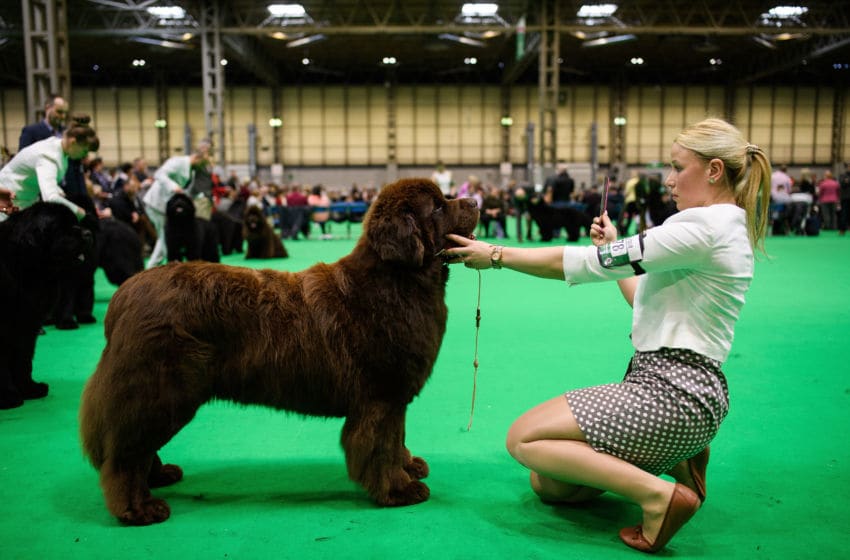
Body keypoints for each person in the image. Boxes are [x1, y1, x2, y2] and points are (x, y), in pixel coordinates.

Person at [443, 118, 771, 553]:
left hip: (671, 395)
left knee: (522, 438)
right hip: (690, 395)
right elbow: (642, 302)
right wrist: (613, 245)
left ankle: (660, 497)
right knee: (549, 485)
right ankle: (681, 457)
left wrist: (496, 254)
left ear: (713, 171)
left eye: (677, 168)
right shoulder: (721, 226)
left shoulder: (702, 227)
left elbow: (581, 265)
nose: (669, 181)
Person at [0, 114, 99, 222]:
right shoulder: (48, 157)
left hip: (23, 201)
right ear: (73, 142)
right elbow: (50, 197)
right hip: (6, 202)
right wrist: (80, 212)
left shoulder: (59, 148)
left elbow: (46, 179)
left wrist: (59, 191)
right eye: (84, 151)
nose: (84, 156)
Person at [142, 142, 212, 268]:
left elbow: (187, 190)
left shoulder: (192, 171)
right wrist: (173, 186)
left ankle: (155, 267)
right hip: (156, 203)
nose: (203, 167)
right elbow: (159, 174)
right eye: (203, 163)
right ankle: (152, 268)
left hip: (169, 205)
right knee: (165, 237)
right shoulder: (177, 161)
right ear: (197, 158)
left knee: (164, 237)